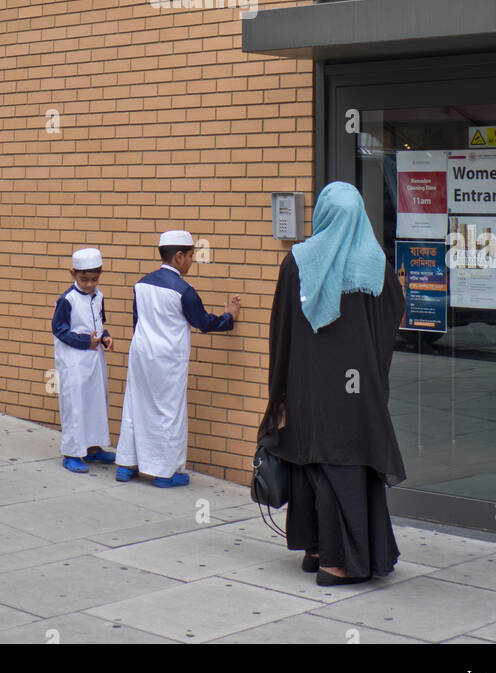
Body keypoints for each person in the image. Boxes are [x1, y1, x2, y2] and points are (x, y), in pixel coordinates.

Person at [257, 182, 406, 586]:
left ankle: (317, 549)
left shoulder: (298, 262)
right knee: (347, 467)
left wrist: (281, 390)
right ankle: (340, 563)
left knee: (309, 460)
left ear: (322, 214)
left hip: (308, 388)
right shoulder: (376, 264)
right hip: (355, 395)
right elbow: (391, 322)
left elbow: (281, 330)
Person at [115, 229, 241, 487]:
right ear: (179, 256)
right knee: (169, 412)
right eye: (192, 256)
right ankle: (165, 472)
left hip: (140, 353)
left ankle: (127, 465)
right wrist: (229, 317)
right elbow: (203, 322)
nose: (193, 261)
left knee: (135, 405)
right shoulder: (185, 291)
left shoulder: (141, 284)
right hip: (168, 359)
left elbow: (138, 321)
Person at [51, 247, 116, 473]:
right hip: (74, 361)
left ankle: (93, 448)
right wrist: (84, 342)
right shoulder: (66, 300)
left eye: (94, 279)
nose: (89, 284)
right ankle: (71, 452)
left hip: (94, 359)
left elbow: (99, 323)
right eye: (84, 279)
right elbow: (59, 330)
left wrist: (105, 337)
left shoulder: (99, 296)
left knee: (96, 402)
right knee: (75, 406)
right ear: (73, 274)